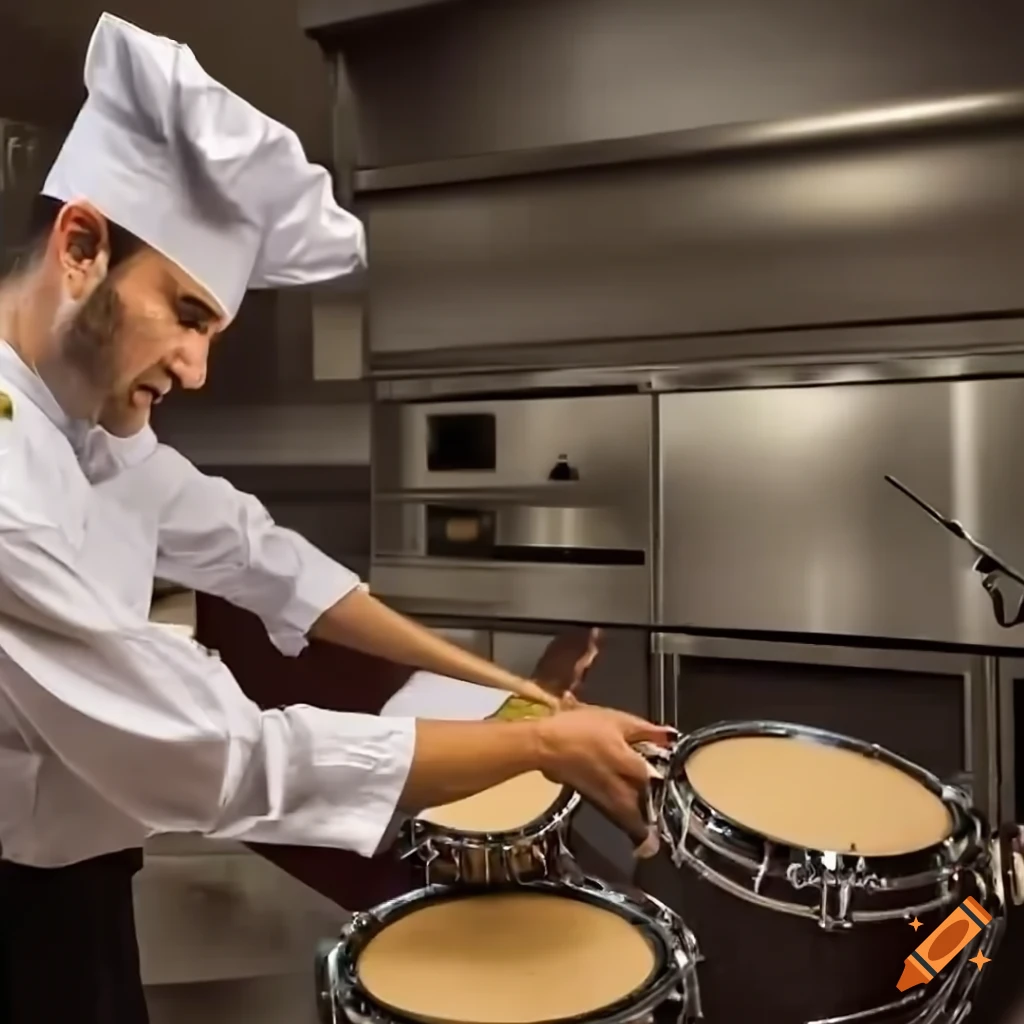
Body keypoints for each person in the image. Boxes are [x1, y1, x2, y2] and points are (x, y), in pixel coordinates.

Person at [0, 13, 669, 1024]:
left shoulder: (84, 427)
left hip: (82, 881)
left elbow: (262, 559)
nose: (196, 368)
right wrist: (542, 747)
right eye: (186, 314)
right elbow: (222, 757)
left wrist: (515, 696)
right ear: (82, 246)